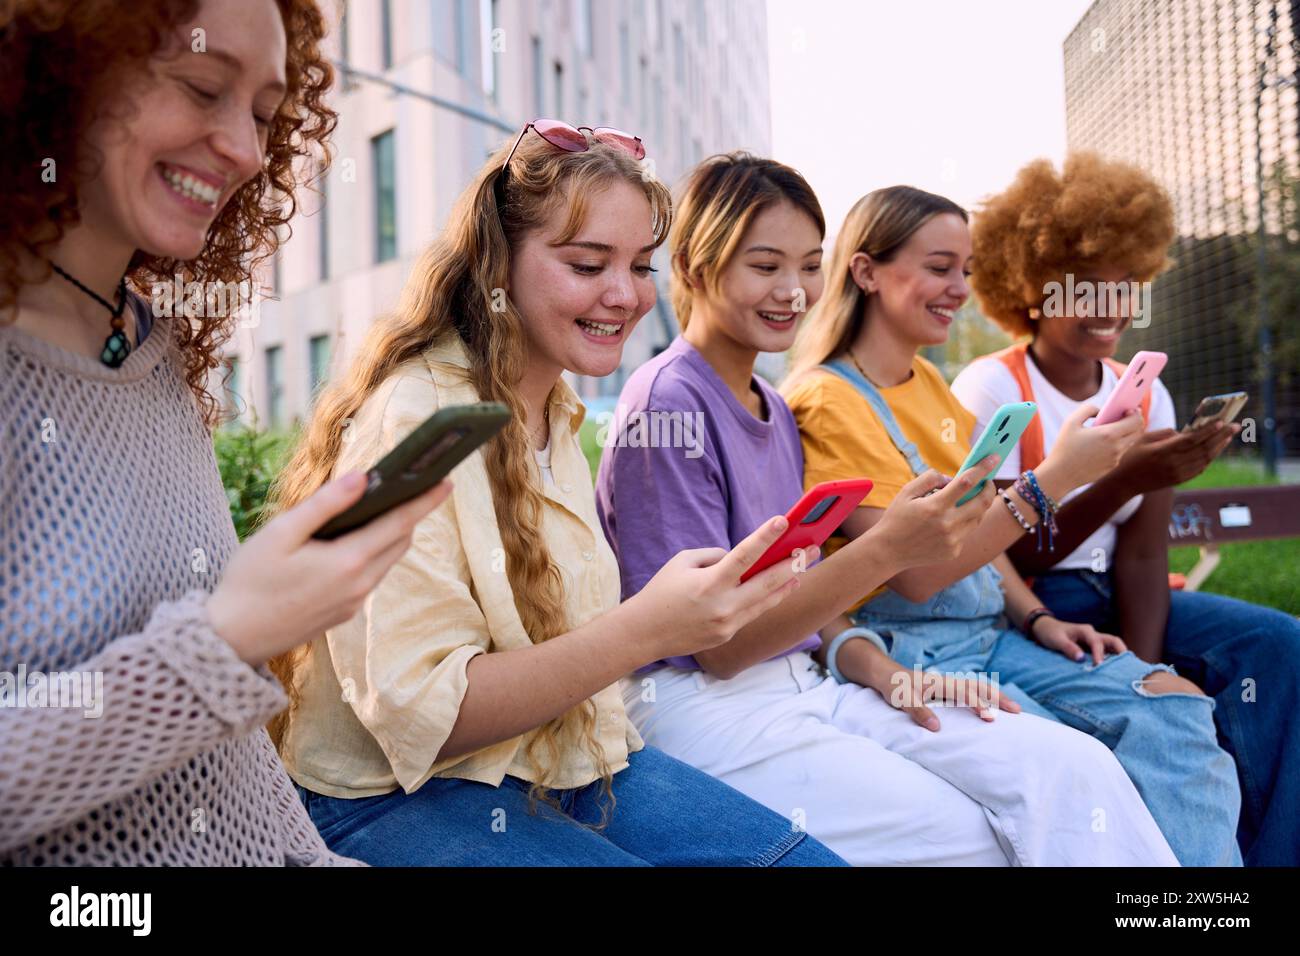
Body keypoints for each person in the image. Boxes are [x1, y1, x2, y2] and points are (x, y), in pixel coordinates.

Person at [270, 123, 845, 866]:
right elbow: (425, 718)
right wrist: (651, 628)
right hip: (394, 795)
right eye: (586, 263)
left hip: (558, 761)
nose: (626, 295)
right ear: (496, 265)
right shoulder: (415, 419)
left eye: (640, 266)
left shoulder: (556, 406)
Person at [596, 152, 1178, 866]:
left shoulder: (773, 409)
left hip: (813, 679)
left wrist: (882, 671)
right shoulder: (668, 404)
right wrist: (890, 547)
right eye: (765, 265)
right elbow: (719, 647)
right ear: (691, 266)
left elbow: (800, 597)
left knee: (1072, 772)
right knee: (976, 837)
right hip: (704, 705)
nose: (792, 290)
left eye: (809, 266)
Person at [0, 0, 441, 866]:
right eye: (203, 86)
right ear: (57, 73)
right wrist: (228, 639)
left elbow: (224, 765)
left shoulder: (151, 346)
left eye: (264, 115)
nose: (244, 149)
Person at [782, 182, 1243, 866]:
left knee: (1176, 714)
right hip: (911, 653)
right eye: (940, 268)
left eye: (964, 271)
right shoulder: (825, 401)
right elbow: (915, 573)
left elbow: (980, 535)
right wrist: (1057, 474)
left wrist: (1034, 618)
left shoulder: (931, 386)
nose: (959, 288)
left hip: (993, 636)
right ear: (866, 271)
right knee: (1085, 766)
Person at [953, 152, 1300, 866]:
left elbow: (1144, 552)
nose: (1110, 311)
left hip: (1125, 591)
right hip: (1033, 602)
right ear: (1032, 291)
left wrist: (1140, 666)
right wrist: (1118, 478)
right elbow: (1006, 552)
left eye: (1124, 289)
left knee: (1281, 647)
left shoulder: (1148, 393)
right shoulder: (993, 388)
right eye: (1084, 291)